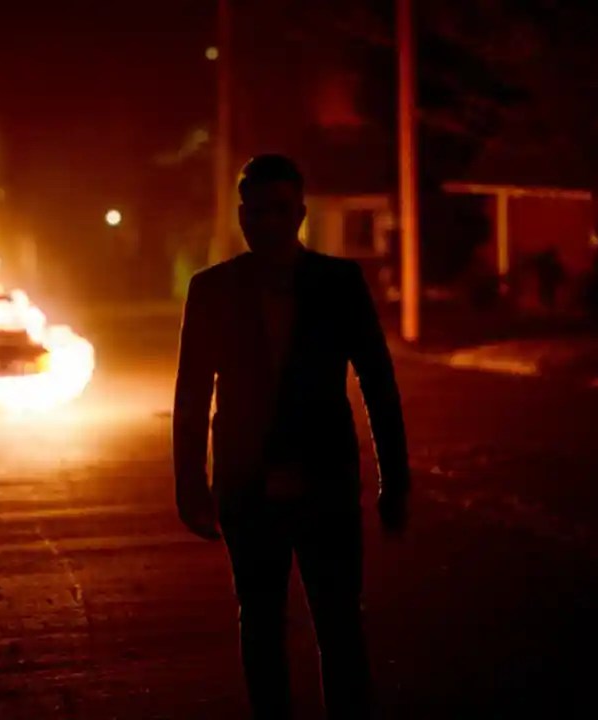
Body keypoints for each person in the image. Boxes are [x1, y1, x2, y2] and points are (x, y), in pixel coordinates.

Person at [173, 154, 410, 719]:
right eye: (259, 212)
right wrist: (190, 486)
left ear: (300, 214)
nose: (270, 223)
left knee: (340, 625)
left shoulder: (339, 283)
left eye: (281, 210)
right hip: (246, 485)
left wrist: (394, 479)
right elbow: (190, 394)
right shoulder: (212, 290)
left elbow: (378, 381)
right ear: (243, 217)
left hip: (324, 481)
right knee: (260, 624)